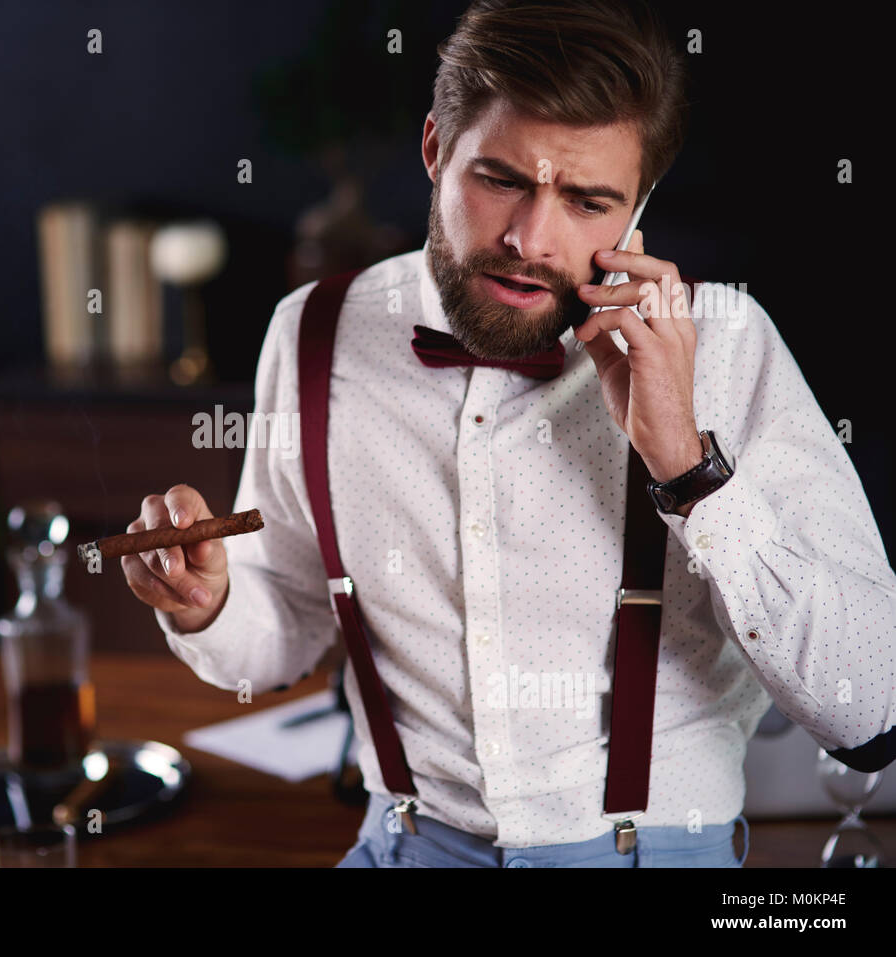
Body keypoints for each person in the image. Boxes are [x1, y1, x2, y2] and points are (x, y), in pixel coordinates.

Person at [120, 0, 895, 867]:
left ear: (638, 207)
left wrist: (688, 465)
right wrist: (211, 603)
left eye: (588, 200)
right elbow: (292, 620)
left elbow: (870, 709)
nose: (533, 238)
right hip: (401, 843)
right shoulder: (313, 333)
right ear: (434, 151)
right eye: (501, 180)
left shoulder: (728, 344)